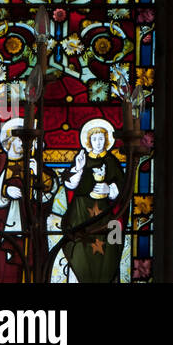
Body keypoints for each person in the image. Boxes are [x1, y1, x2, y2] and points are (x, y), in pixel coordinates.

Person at [0, 118, 59, 283]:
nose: (24, 143)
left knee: (36, 265)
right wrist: (4, 191)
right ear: (9, 141)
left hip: (33, 225)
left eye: (27, 139)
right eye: (20, 139)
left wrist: (37, 172)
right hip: (4, 228)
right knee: (6, 270)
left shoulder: (34, 161)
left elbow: (49, 188)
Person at [61, 117, 125, 283]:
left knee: (110, 251)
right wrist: (78, 169)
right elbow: (69, 184)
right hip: (80, 215)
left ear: (106, 140)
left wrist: (110, 190)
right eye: (94, 138)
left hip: (106, 217)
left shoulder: (111, 161)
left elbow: (123, 189)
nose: (98, 142)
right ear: (88, 141)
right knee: (79, 251)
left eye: (101, 138)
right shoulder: (81, 160)